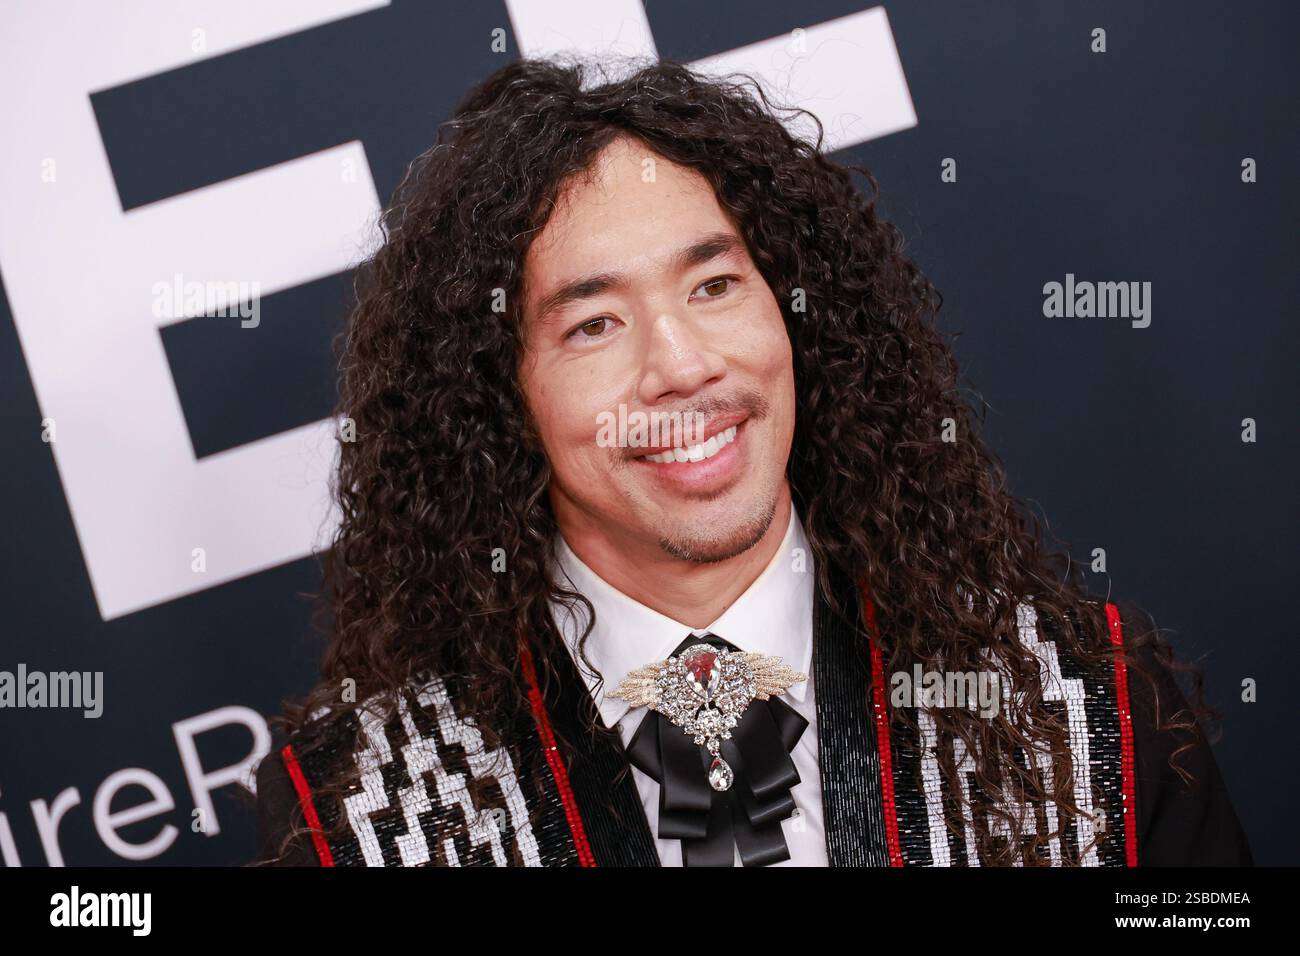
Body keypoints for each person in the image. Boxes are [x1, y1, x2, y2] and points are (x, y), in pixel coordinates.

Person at [252, 58, 1251, 867]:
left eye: (716, 284)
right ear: (496, 399)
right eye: (594, 323)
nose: (683, 364)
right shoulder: (362, 810)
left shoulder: (1082, 711)